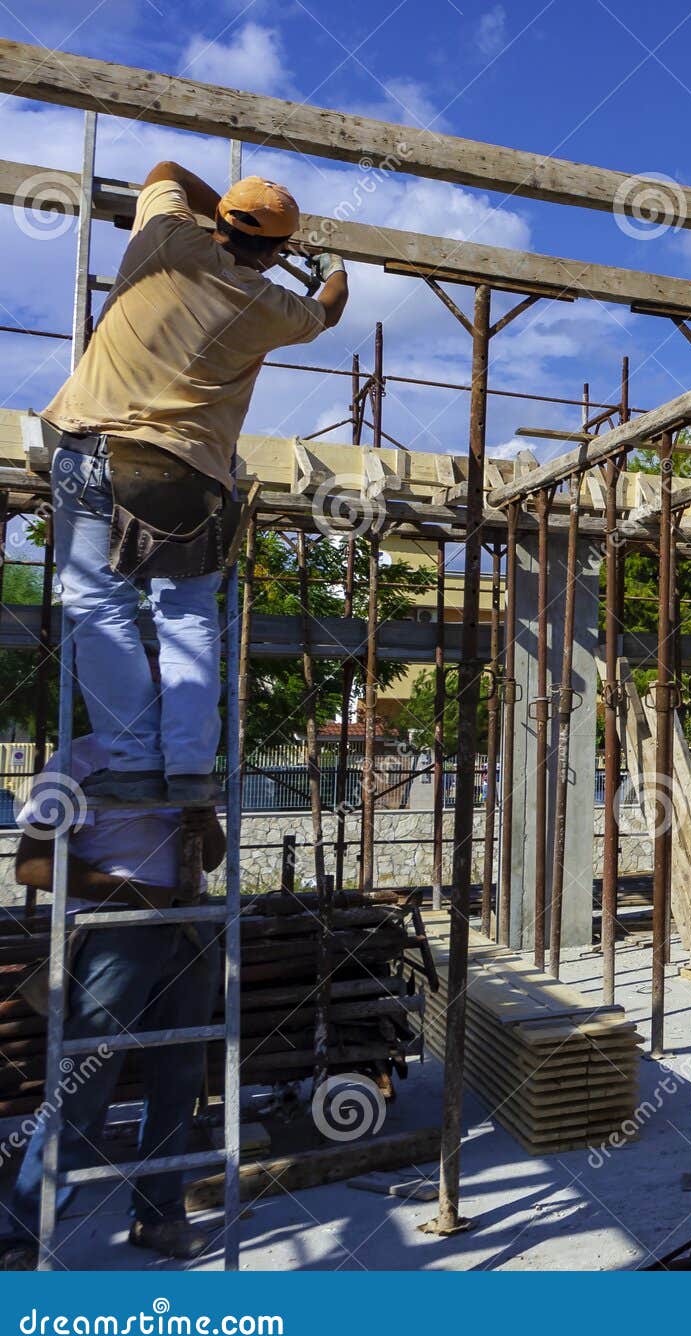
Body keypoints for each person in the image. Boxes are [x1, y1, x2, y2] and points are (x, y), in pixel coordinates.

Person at [41, 162, 350, 806]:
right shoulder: (270, 305)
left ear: (220, 223)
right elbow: (329, 311)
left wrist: (218, 210)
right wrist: (331, 264)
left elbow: (162, 170)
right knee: (185, 615)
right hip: (191, 472)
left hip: (94, 442)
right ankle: (187, 768)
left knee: (98, 604)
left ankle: (130, 762)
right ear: (276, 251)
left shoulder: (166, 239)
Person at [0, 733, 226, 1269]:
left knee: (178, 1078)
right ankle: (23, 1236)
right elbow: (31, 865)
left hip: (190, 930)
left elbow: (212, 858)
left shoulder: (185, 756)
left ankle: (160, 1215)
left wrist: (207, 827)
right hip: (113, 934)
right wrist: (131, 893)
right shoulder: (76, 760)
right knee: (81, 1088)